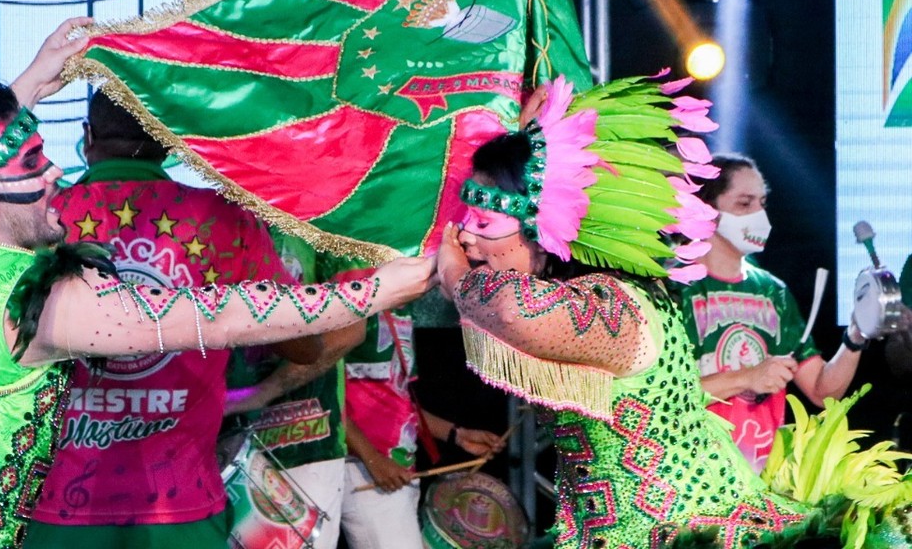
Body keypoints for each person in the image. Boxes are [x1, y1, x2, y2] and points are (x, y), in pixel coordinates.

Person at [0, 20, 435, 549]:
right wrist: (375, 291)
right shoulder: (39, 303)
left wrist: (32, 76)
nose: (56, 169)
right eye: (33, 162)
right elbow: (220, 318)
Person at [435, 75, 815, 549]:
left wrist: (453, 272)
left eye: (483, 221)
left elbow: (511, 310)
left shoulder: (615, 306)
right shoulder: (581, 296)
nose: (465, 238)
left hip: (684, 532)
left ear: (545, 229)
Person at [25, 94, 322, 547]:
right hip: (180, 507)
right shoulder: (224, 220)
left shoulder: (42, 218)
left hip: (54, 507)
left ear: (87, 137)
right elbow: (304, 345)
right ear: (168, 142)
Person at [674, 154, 865, 473]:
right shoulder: (675, 285)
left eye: (762, 204)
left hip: (762, 477)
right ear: (706, 210)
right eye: (744, 204)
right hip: (691, 475)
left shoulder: (772, 291)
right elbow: (661, 398)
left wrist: (856, 337)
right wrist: (747, 377)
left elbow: (822, 393)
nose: (759, 217)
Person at [222, 237, 366, 549]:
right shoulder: (218, 221)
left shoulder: (324, 226)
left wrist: (262, 392)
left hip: (306, 440)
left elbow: (351, 328)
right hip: (220, 444)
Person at [338, 294, 506, 549]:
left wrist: (456, 434)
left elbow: (398, 402)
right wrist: (371, 458)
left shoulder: (402, 313)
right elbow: (325, 398)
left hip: (397, 468)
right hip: (363, 467)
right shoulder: (351, 307)